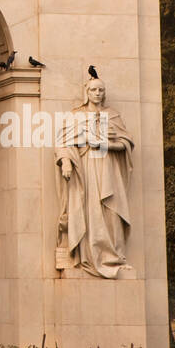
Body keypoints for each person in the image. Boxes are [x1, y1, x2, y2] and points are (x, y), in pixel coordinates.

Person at [56, 77, 134, 278]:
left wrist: (106, 145)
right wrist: (65, 161)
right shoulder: (76, 115)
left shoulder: (112, 115)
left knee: (111, 212)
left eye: (101, 90)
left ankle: (113, 257)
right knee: (89, 211)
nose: (97, 93)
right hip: (86, 169)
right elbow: (62, 143)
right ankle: (88, 256)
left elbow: (125, 143)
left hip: (109, 170)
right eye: (93, 90)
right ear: (87, 92)